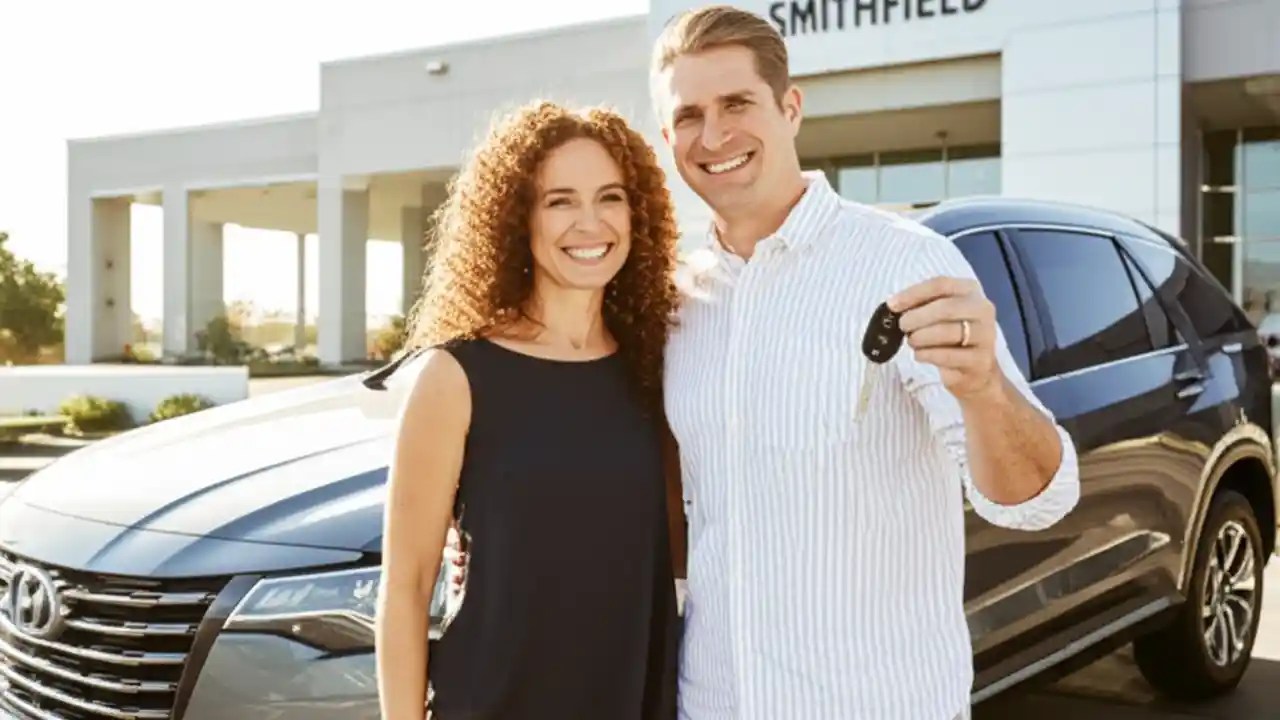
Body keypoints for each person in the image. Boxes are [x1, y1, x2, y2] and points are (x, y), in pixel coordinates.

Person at [649, 6, 1082, 719]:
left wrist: (985, 391)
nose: (714, 135)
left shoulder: (907, 262)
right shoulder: (678, 305)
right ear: (668, 137)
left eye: (737, 103)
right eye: (689, 115)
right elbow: (669, 517)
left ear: (790, 108)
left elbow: (1038, 502)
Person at [374, 100, 683, 720]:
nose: (590, 223)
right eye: (560, 200)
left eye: (611, 197)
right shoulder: (455, 374)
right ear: (518, 218)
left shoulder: (659, 365)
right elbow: (405, 591)